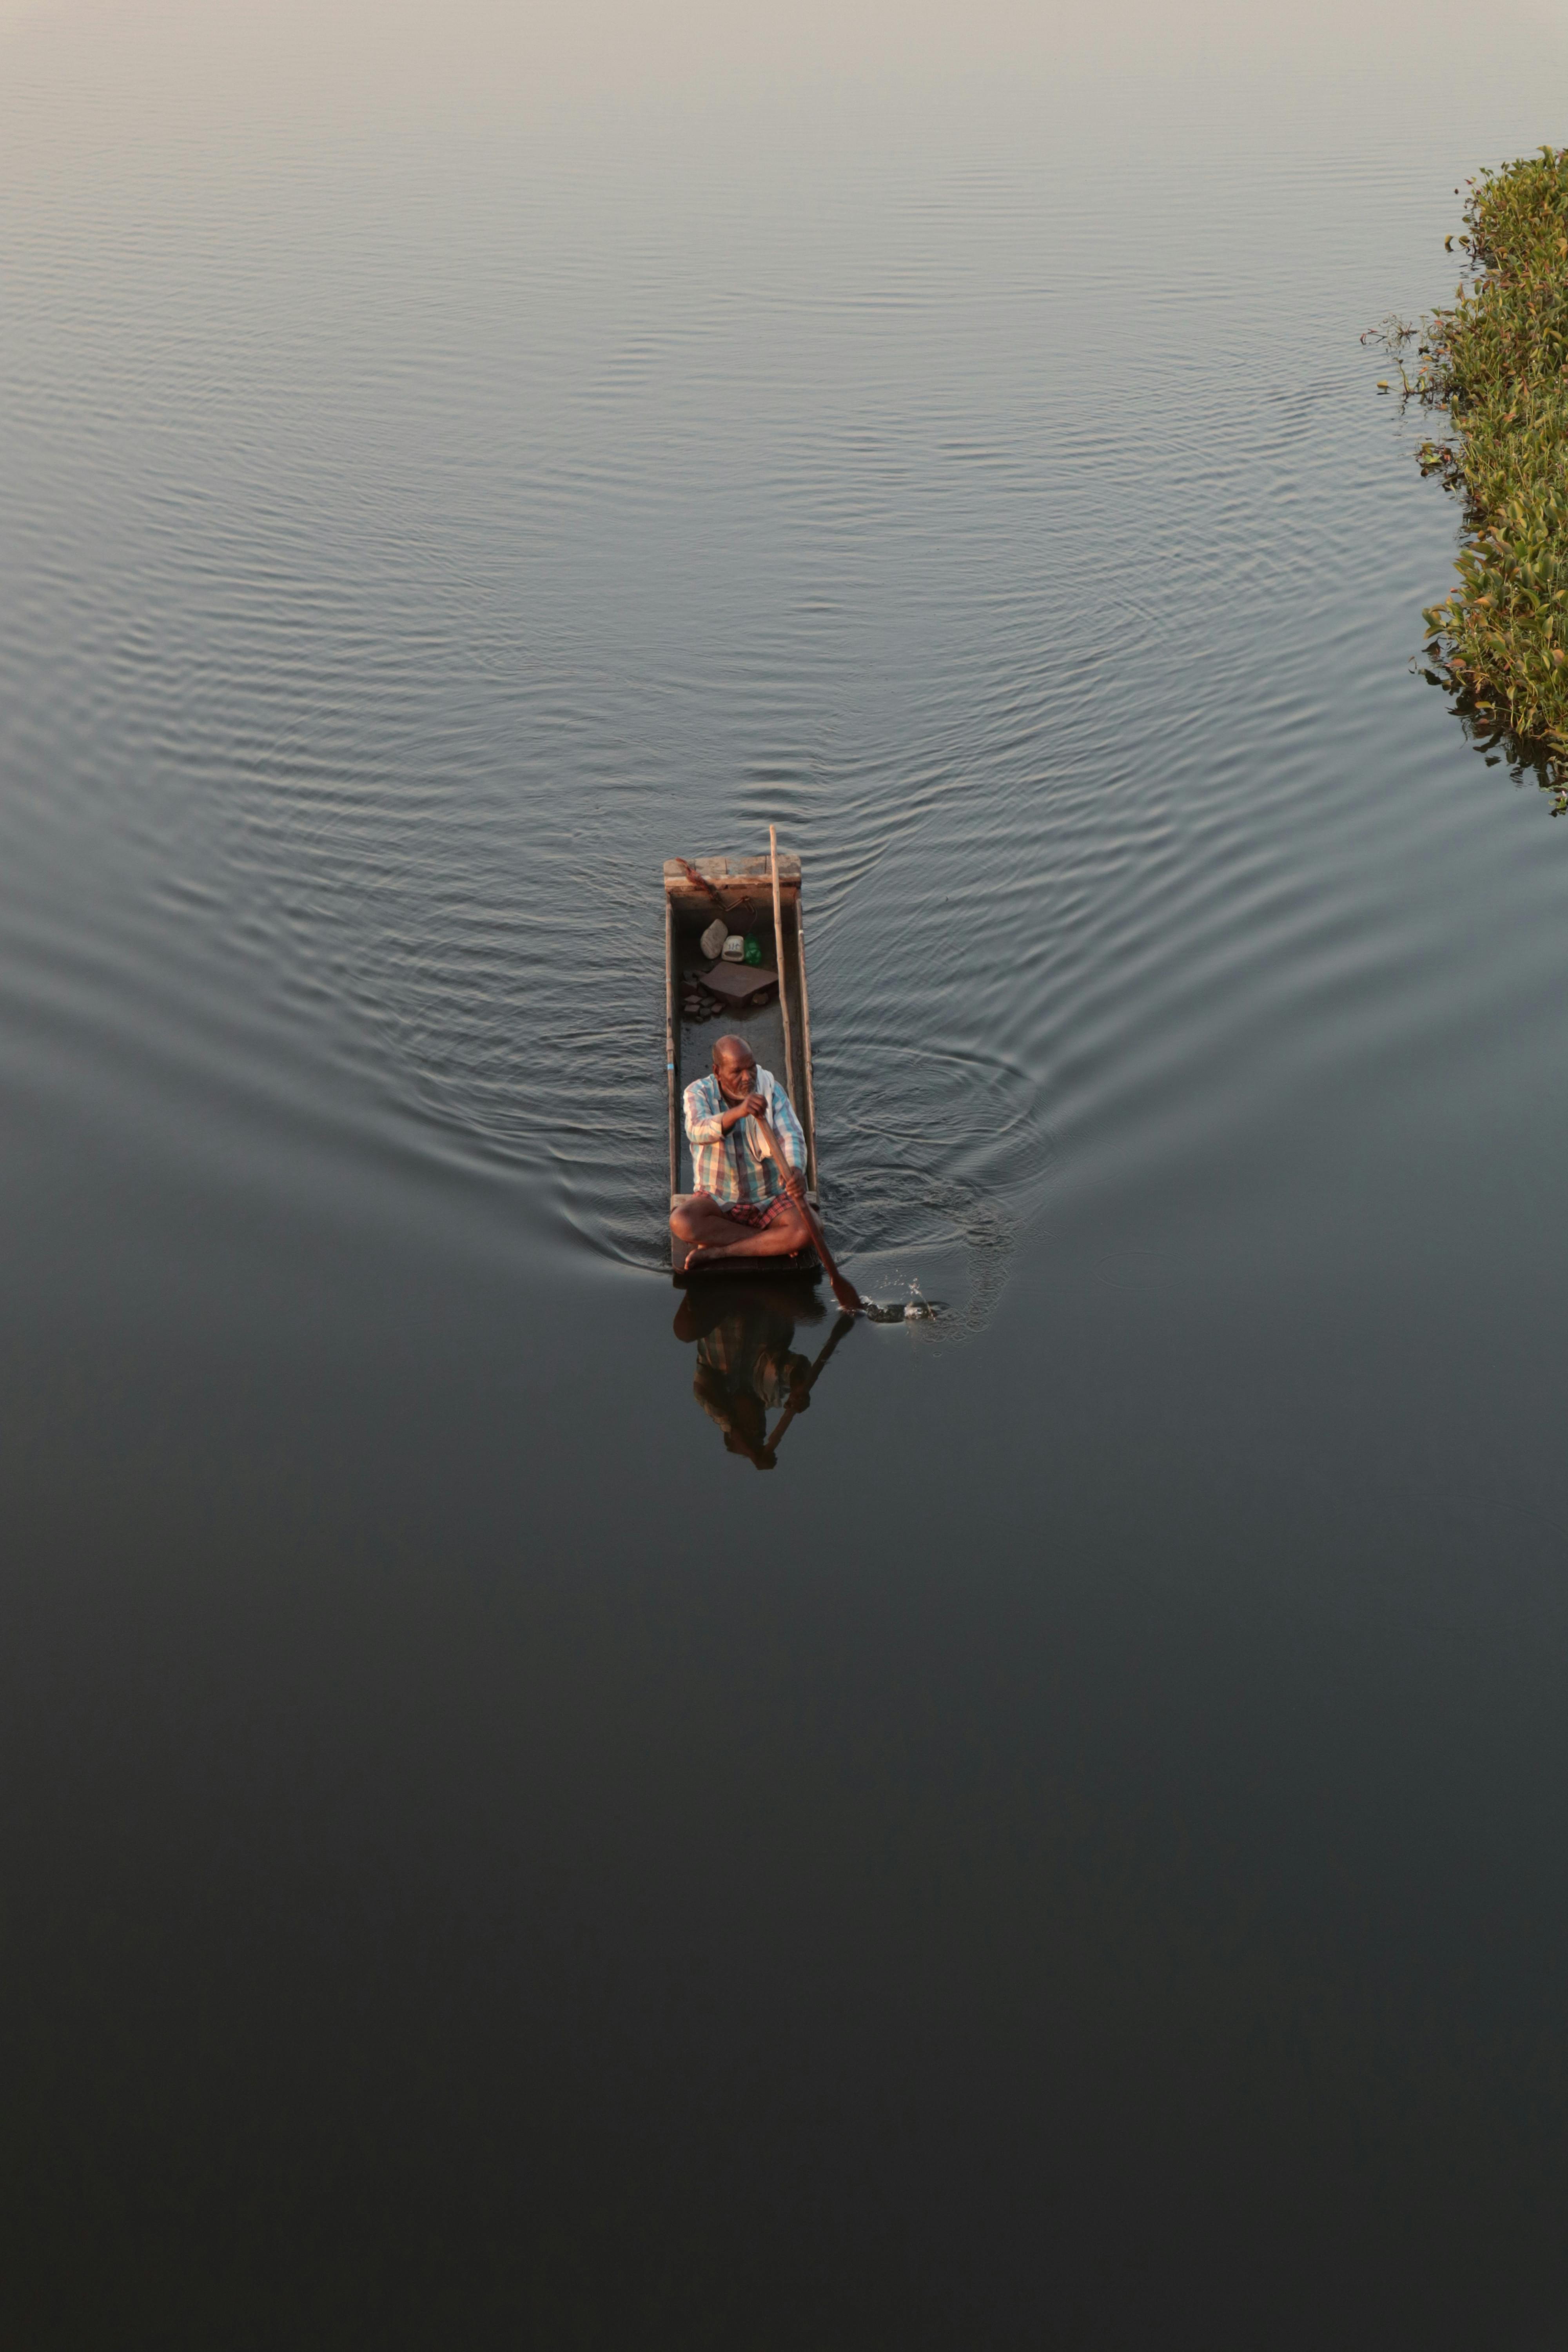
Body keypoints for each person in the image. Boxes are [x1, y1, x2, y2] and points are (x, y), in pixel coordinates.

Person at [670, 1033, 812, 1271]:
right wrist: (739, 1113)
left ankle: (720, 1252)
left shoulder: (770, 1089)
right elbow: (697, 1131)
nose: (747, 1078)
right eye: (737, 1072)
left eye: (751, 1068)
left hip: (768, 1197)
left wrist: (796, 1170)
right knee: (681, 1222)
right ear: (717, 1072)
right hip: (718, 1199)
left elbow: (791, 1136)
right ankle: (769, 1241)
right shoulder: (698, 1093)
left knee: (806, 1231)